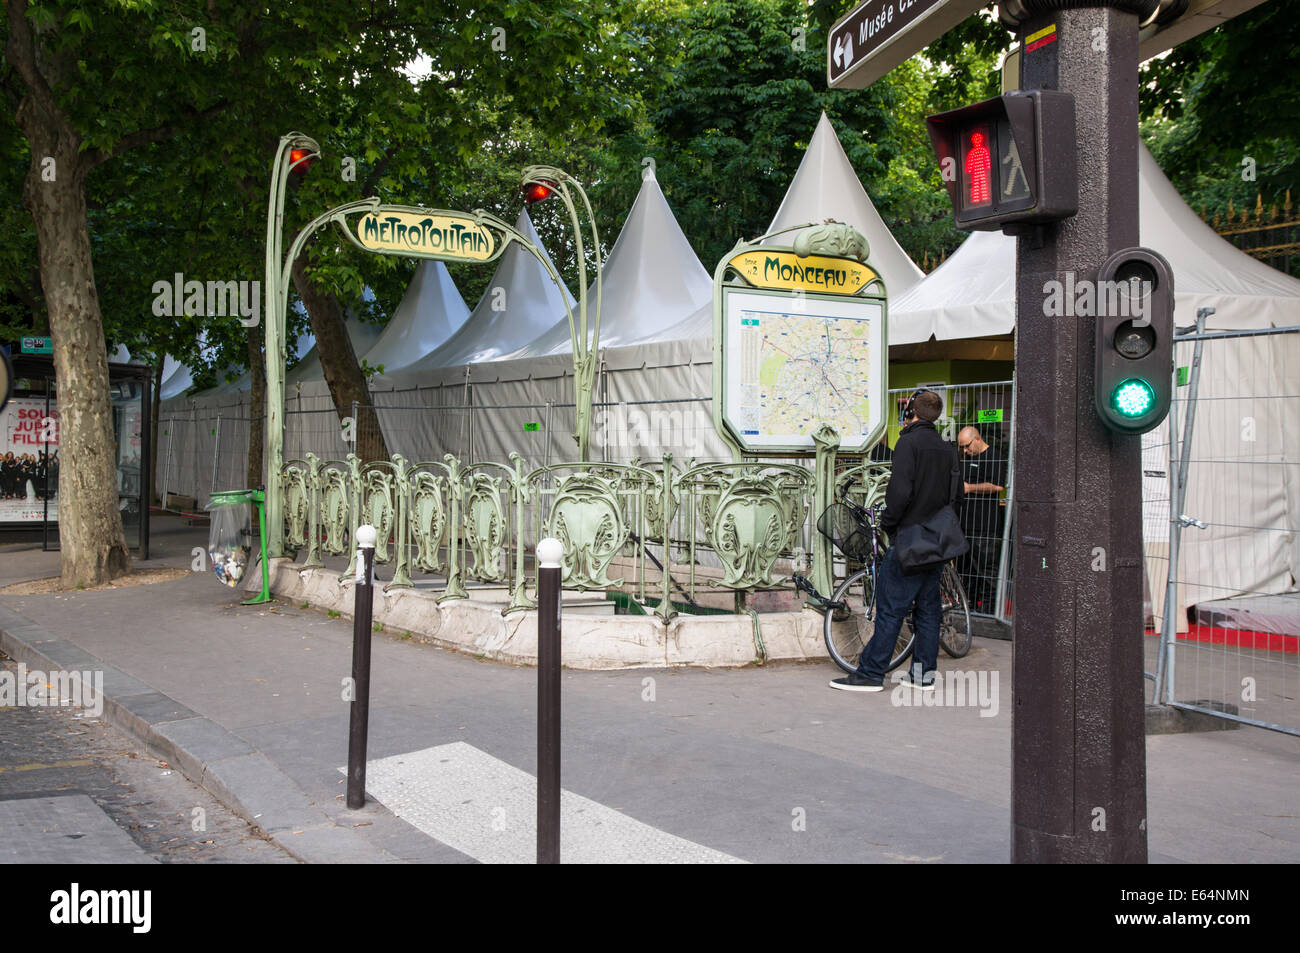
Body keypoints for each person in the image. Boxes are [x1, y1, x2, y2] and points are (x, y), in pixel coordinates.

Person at [830, 389, 964, 692]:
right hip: (938, 541)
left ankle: (870, 673)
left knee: (891, 607)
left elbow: (900, 494)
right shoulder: (948, 448)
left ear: (910, 414)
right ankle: (923, 674)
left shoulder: (908, 444)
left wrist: (889, 524)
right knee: (928, 609)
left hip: (909, 539)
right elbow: (957, 496)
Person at [955, 425, 1007, 614]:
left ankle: (988, 611)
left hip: (985, 525)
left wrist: (970, 488)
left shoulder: (993, 456)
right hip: (964, 524)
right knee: (966, 571)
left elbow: (997, 486)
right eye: (962, 447)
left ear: (977, 439)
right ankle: (967, 607)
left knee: (987, 571)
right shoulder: (965, 459)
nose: (965, 451)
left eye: (967, 446)